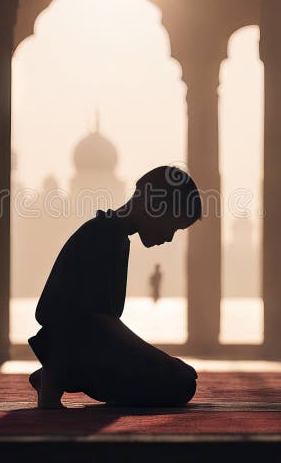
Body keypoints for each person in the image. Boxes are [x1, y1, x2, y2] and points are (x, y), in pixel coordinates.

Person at [28, 166, 201, 409]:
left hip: (77, 345)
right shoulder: (106, 237)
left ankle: (58, 373)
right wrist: (164, 361)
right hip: (75, 347)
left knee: (177, 380)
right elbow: (103, 321)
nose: (170, 237)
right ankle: (57, 373)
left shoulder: (111, 234)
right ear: (154, 205)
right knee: (181, 384)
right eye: (172, 226)